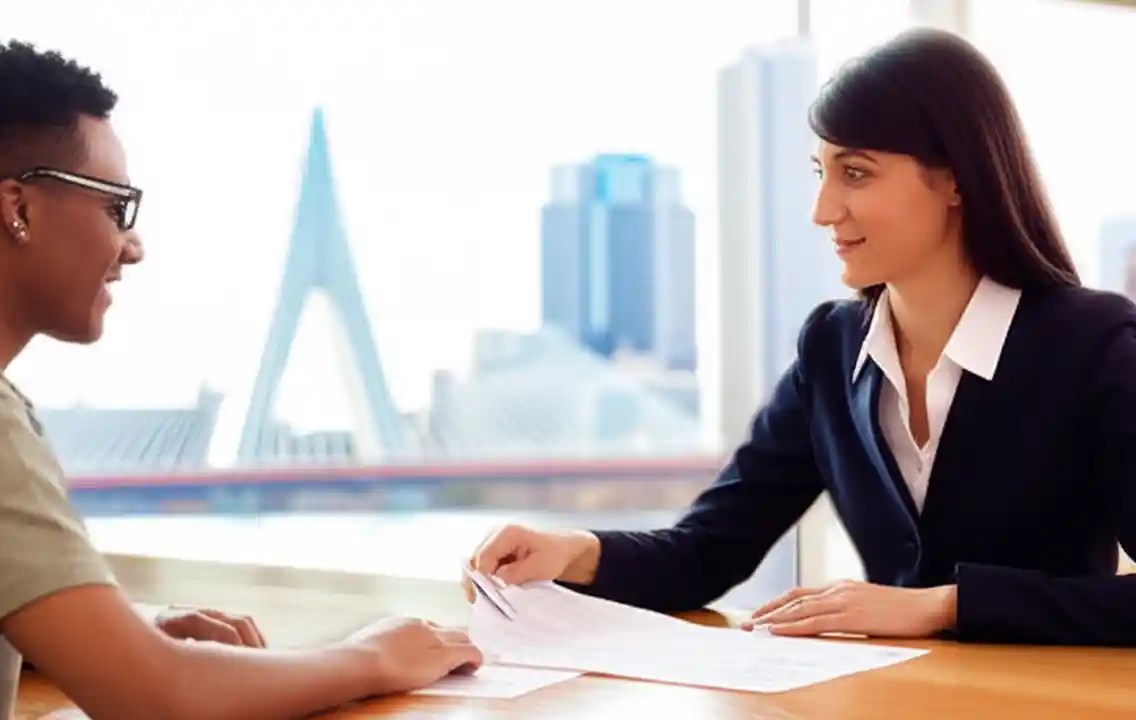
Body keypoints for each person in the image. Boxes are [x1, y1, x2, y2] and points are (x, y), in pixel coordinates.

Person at [0, 39, 480, 720]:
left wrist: (121, 629)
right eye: (114, 206)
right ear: (19, 209)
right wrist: (375, 655)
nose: (133, 245)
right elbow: (156, 699)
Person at [466, 28, 1136, 647]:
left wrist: (946, 606)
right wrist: (572, 551)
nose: (823, 211)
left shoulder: (1094, 346)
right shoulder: (833, 349)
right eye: (821, 174)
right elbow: (710, 549)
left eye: (856, 173)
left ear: (956, 177)